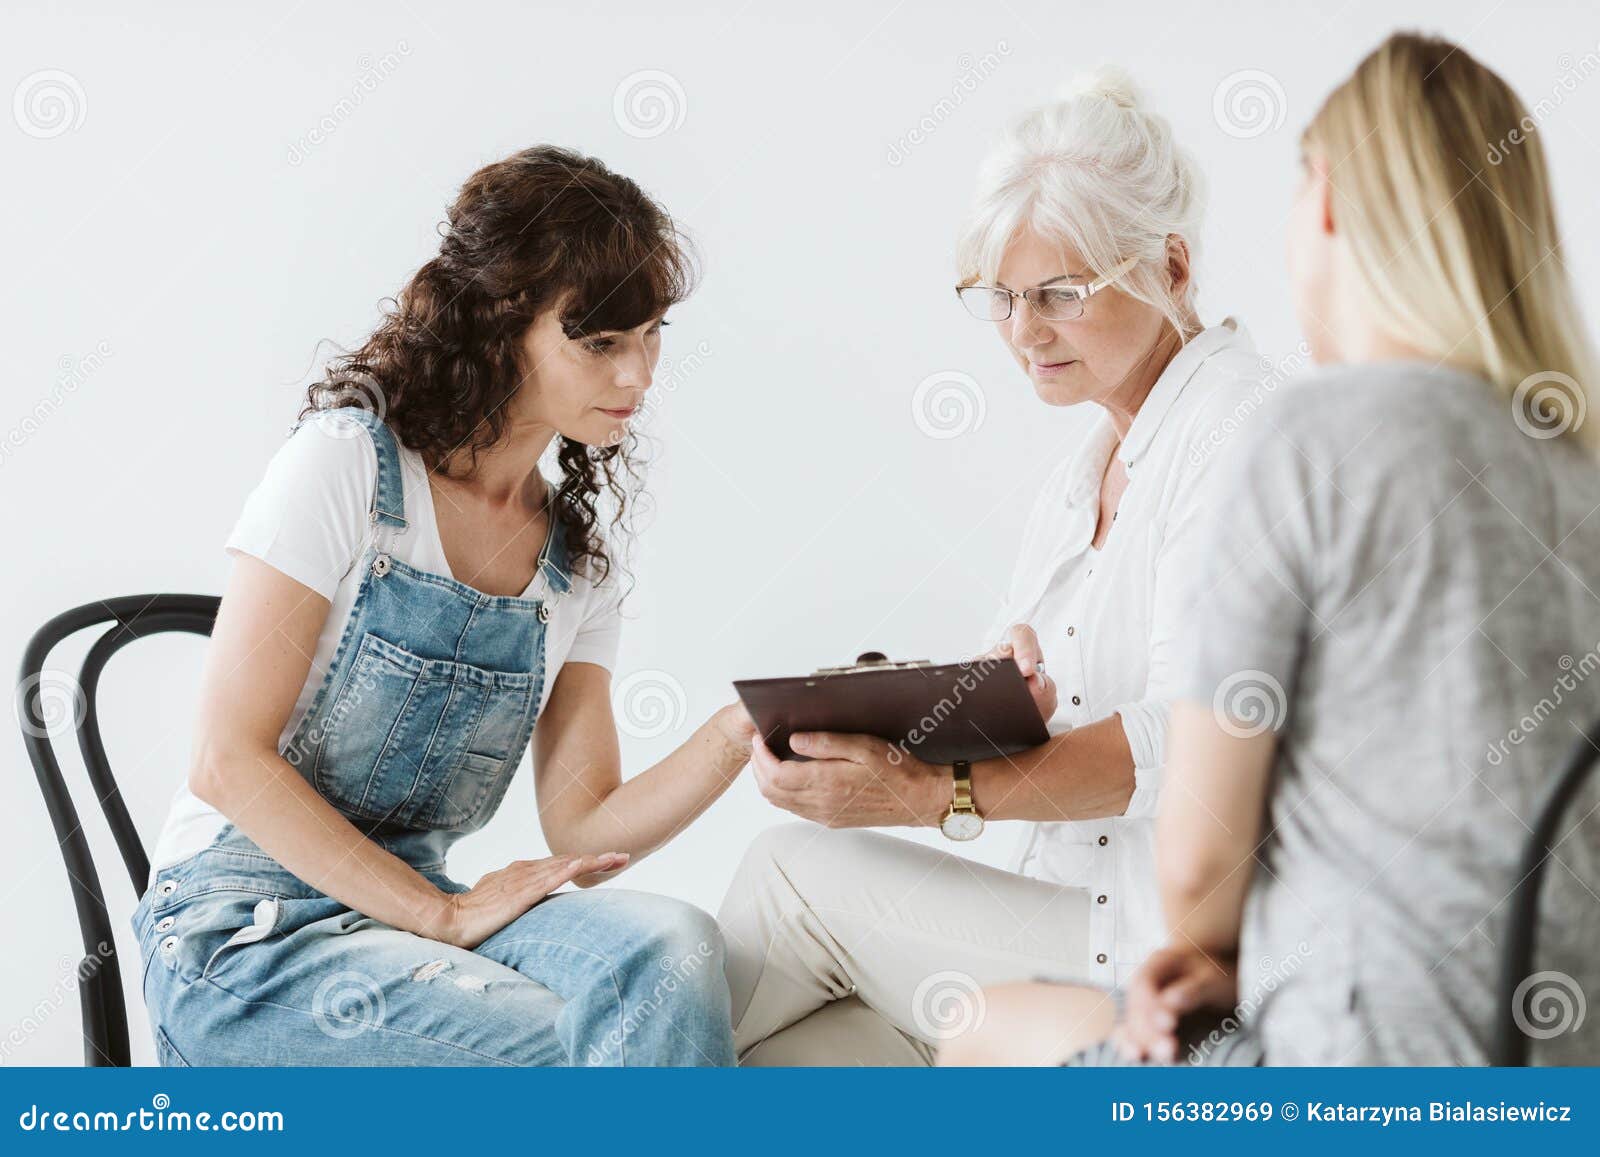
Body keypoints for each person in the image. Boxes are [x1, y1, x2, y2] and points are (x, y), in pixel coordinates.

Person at [941, 32, 1600, 1067]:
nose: (1025, 328)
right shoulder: (1580, 466)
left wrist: (1215, 951)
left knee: (973, 1022)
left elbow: (1199, 864)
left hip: (1352, 1066)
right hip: (1556, 1060)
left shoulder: (1302, 435)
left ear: (1327, 199)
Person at [133, 146, 756, 1067]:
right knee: (575, 1054)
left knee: (674, 948)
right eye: (603, 343)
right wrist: (442, 911)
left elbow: (581, 824)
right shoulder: (344, 466)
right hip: (242, 932)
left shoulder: (573, 566)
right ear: (503, 323)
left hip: (413, 932)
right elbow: (228, 759)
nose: (639, 377)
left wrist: (741, 729)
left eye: (653, 333)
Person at [717, 70, 1266, 1065]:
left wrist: (935, 794)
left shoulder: (1238, 432)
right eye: (1003, 297)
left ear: (1171, 266)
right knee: (807, 1050)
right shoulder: (1085, 468)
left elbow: (1187, 746)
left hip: (1162, 943)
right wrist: (979, 703)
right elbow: (1066, 700)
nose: (1023, 330)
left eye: (1060, 291)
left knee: (788, 881)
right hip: (1074, 903)